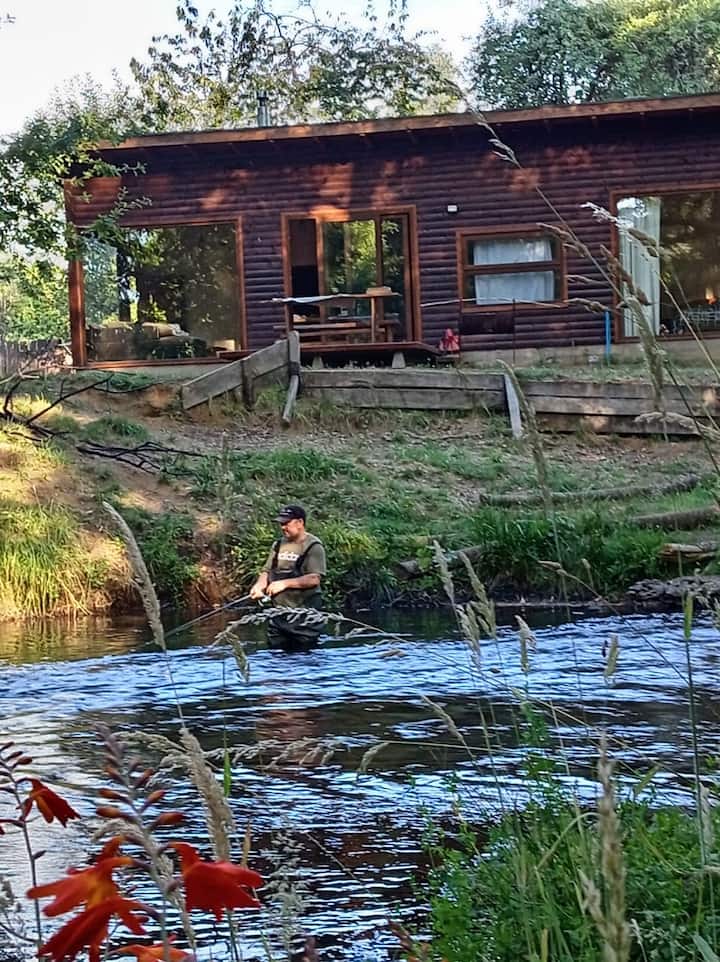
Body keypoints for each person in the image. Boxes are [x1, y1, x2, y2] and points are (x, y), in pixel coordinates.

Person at [249, 504, 327, 648]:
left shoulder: (313, 546)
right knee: (276, 661)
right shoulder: (278, 545)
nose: (283, 527)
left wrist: (283, 584)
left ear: (300, 523)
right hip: (278, 618)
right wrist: (259, 586)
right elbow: (266, 571)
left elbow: (314, 579)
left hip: (305, 620)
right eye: (281, 524)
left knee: (304, 660)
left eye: (286, 523)